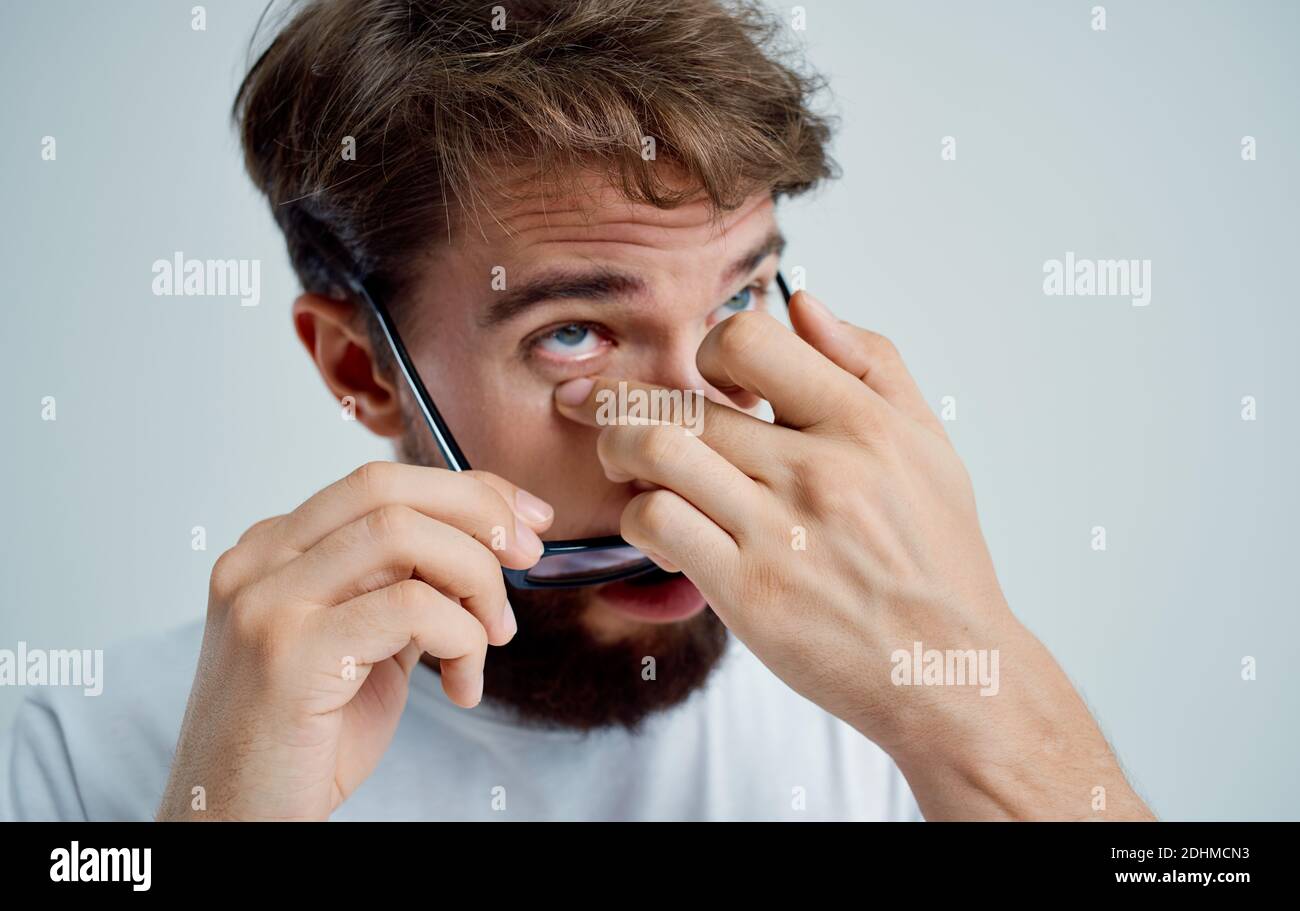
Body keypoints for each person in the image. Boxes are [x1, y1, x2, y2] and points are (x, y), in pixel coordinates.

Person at [0, 0, 1152, 822]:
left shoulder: (904, 715)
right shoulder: (68, 764)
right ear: (361, 369)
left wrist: (985, 703)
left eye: (740, 293)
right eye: (576, 333)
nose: (691, 439)